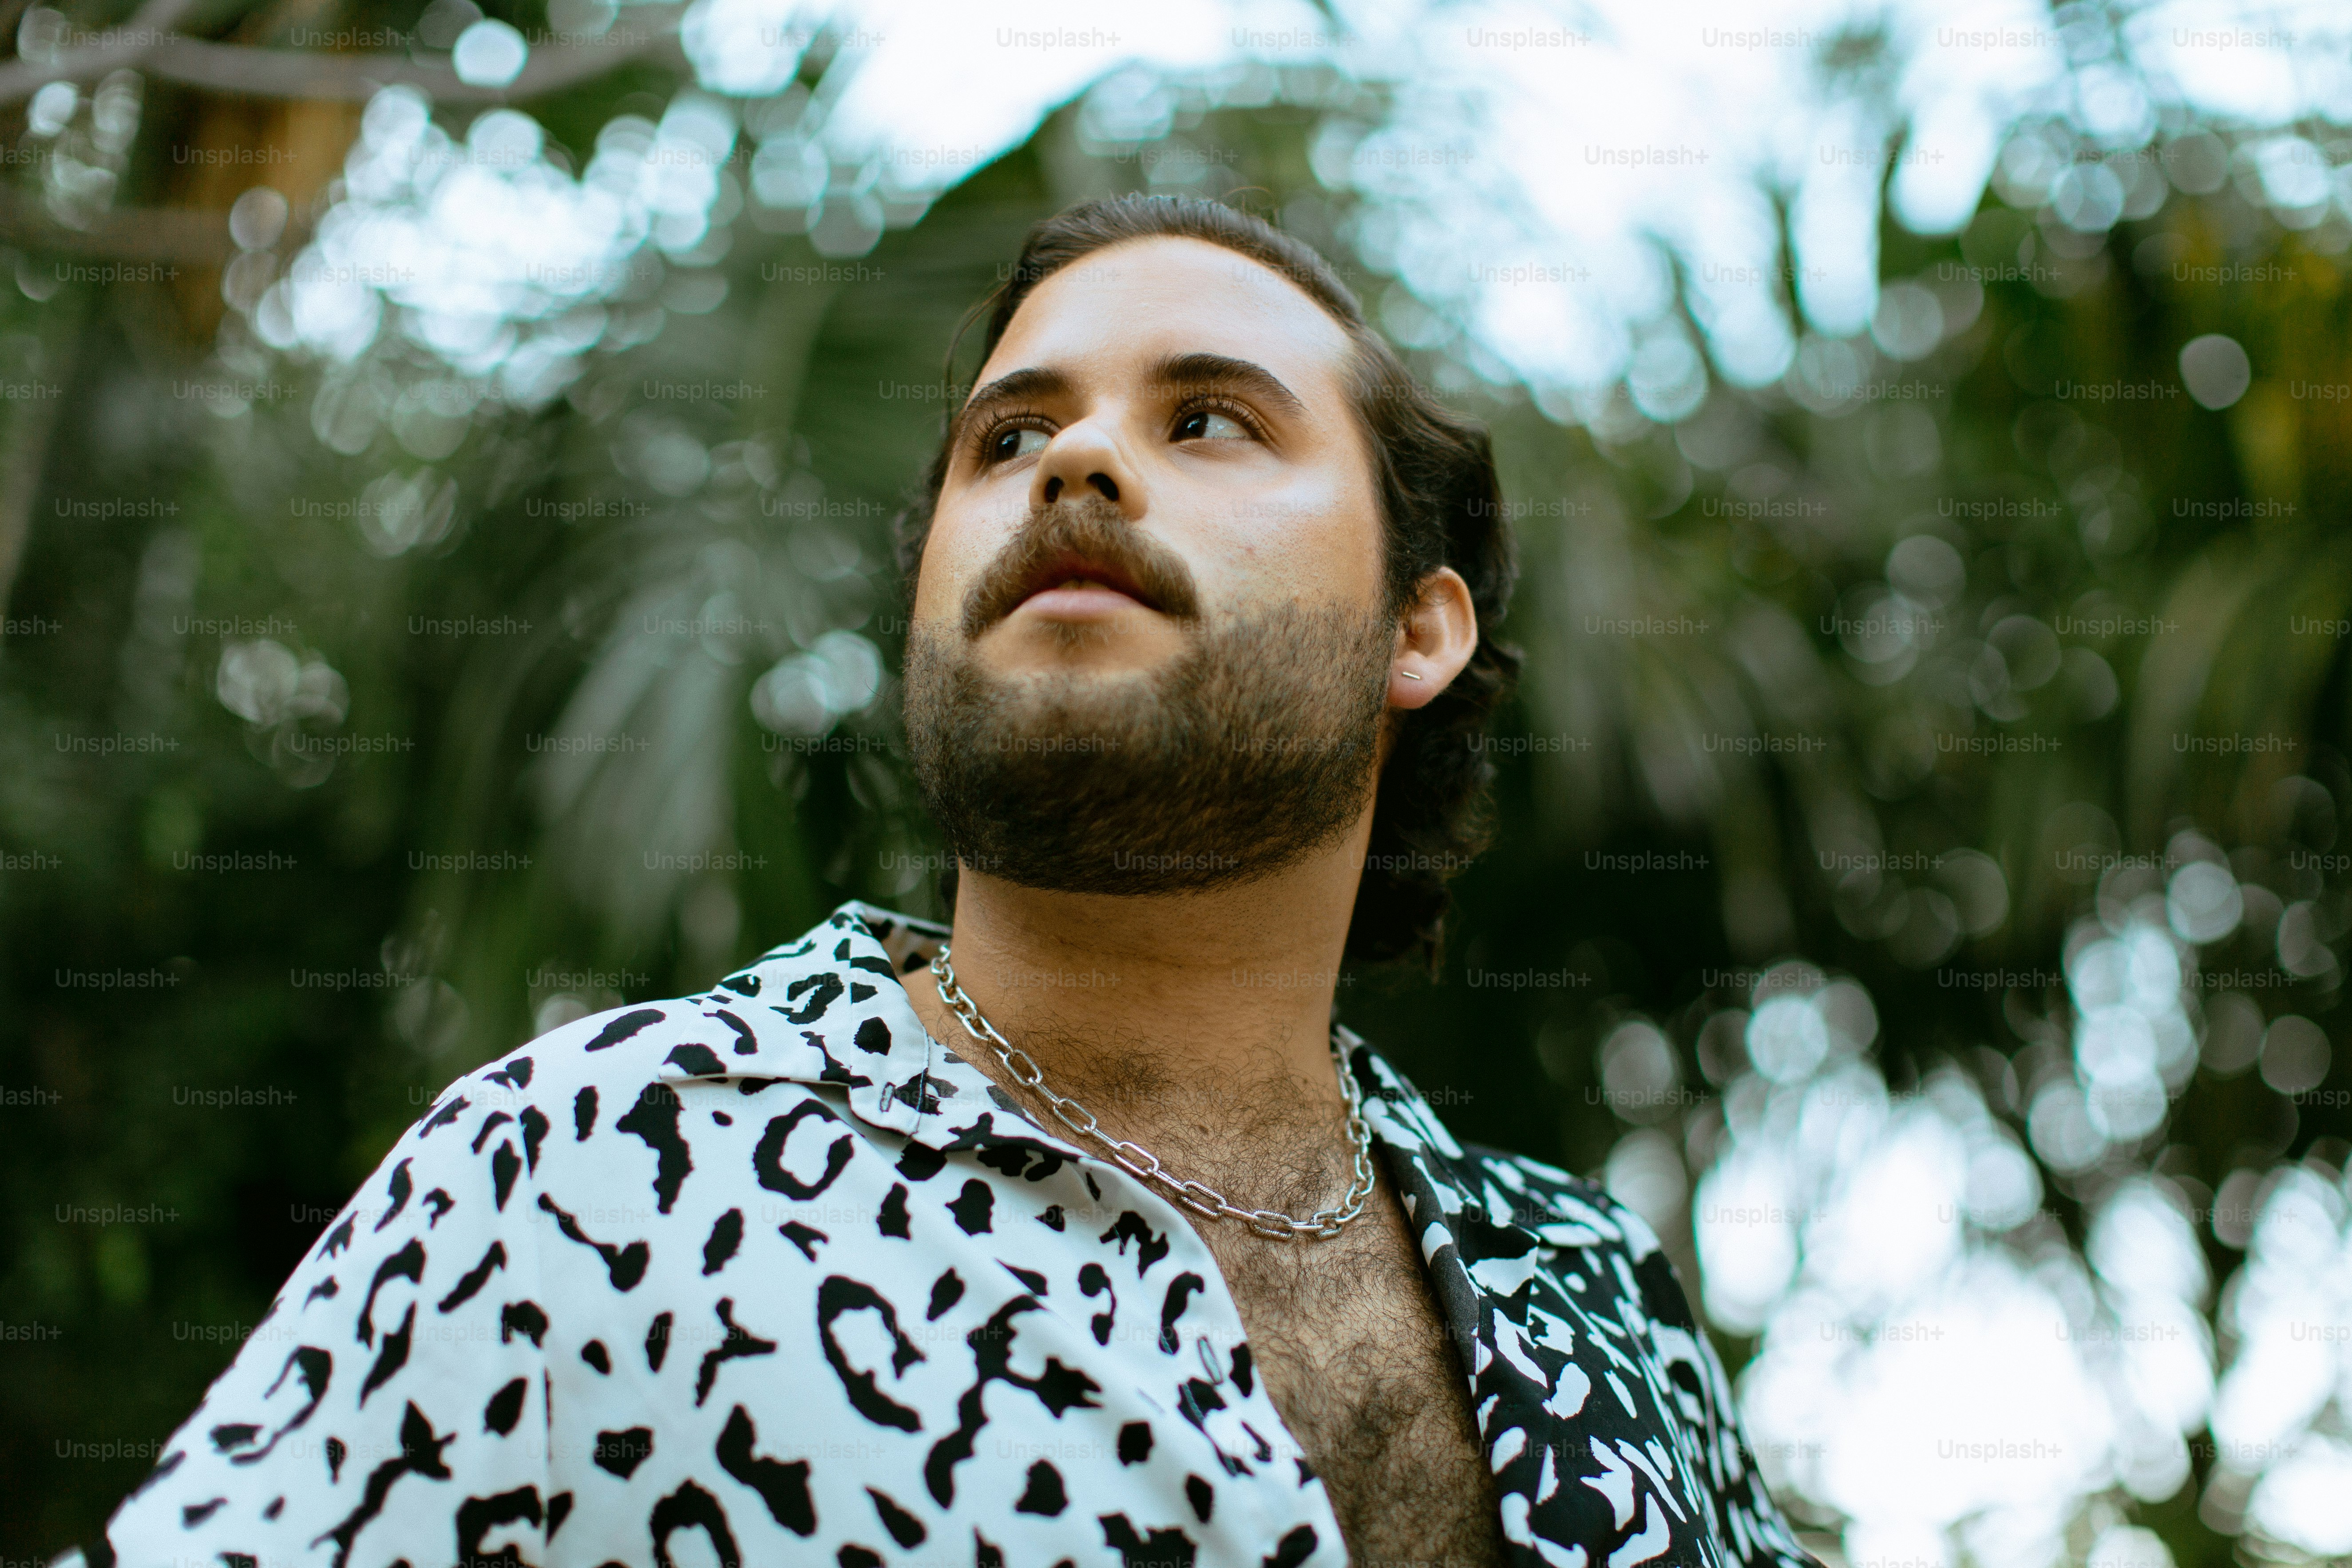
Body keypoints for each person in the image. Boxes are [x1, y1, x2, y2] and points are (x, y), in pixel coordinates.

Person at [100, 194, 1821, 1568]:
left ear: (1416, 629)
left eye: (1207, 418)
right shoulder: (585, 1169)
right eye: (1005, 440)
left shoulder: (1598, 1294)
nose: (1072, 464)